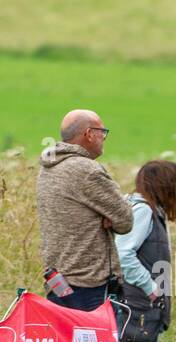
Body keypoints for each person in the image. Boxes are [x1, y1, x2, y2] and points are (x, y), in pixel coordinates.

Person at [36, 109, 134, 311]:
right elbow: (125, 220)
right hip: (89, 282)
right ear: (89, 134)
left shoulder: (48, 167)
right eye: (102, 132)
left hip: (58, 279)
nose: (103, 138)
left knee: (63, 341)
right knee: (94, 341)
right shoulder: (87, 170)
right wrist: (107, 216)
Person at [114, 160, 176, 342]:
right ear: (166, 184)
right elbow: (124, 254)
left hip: (141, 306)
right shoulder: (143, 210)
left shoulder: (149, 211)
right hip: (137, 306)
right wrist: (151, 287)